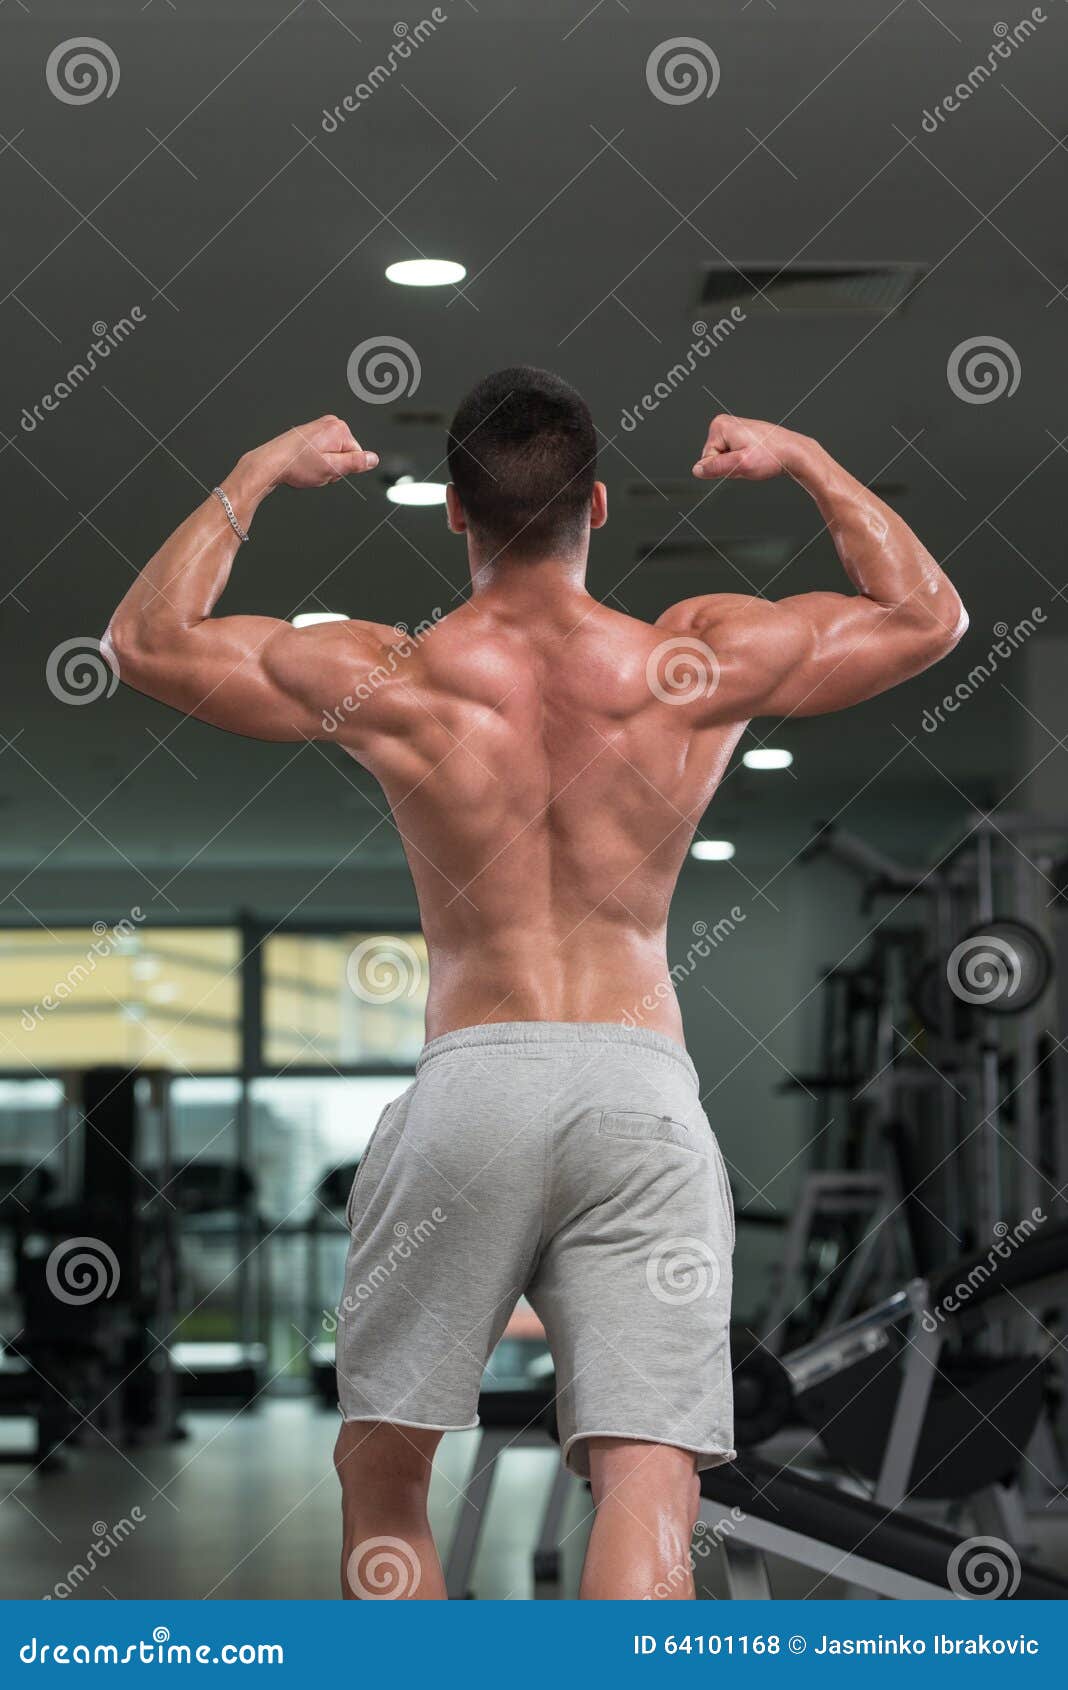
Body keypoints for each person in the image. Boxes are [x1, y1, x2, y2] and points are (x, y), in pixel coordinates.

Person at [103, 369, 967, 1599]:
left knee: (387, 1470)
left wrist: (257, 473)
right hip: (640, 1091)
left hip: (476, 1083)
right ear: (598, 505)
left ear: (456, 510)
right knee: (647, 1474)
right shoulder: (689, 661)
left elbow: (144, 642)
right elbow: (928, 617)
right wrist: (810, 461)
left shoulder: (395, 673)